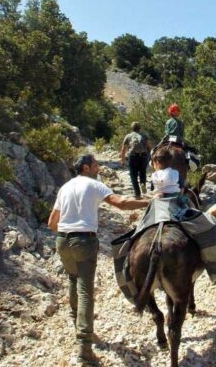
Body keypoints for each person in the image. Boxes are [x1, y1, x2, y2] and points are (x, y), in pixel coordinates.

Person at [47, 154, 149, 365]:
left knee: (73, 281)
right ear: (86, 167)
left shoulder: (65, 187)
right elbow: (120, 203)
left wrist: (68, 233)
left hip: (62, 241)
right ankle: (84, 346)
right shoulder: (94, 185)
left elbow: (51, 222)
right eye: (95, 165)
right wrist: (150, 201)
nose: (98, 168)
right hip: (84, 241)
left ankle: (78, 324)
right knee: (85, 290)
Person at [120, 122, 152, 199]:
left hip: (133, 157)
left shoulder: (128, 136)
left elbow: (123, 149)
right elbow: (149, 146)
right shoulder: (144, 135)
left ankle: (137, 194)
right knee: (142, 172)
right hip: (143, 156)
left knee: (133, 175)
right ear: (139, 128)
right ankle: (143, 183)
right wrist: (148, 155)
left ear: (132, 128)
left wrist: (123, 160)